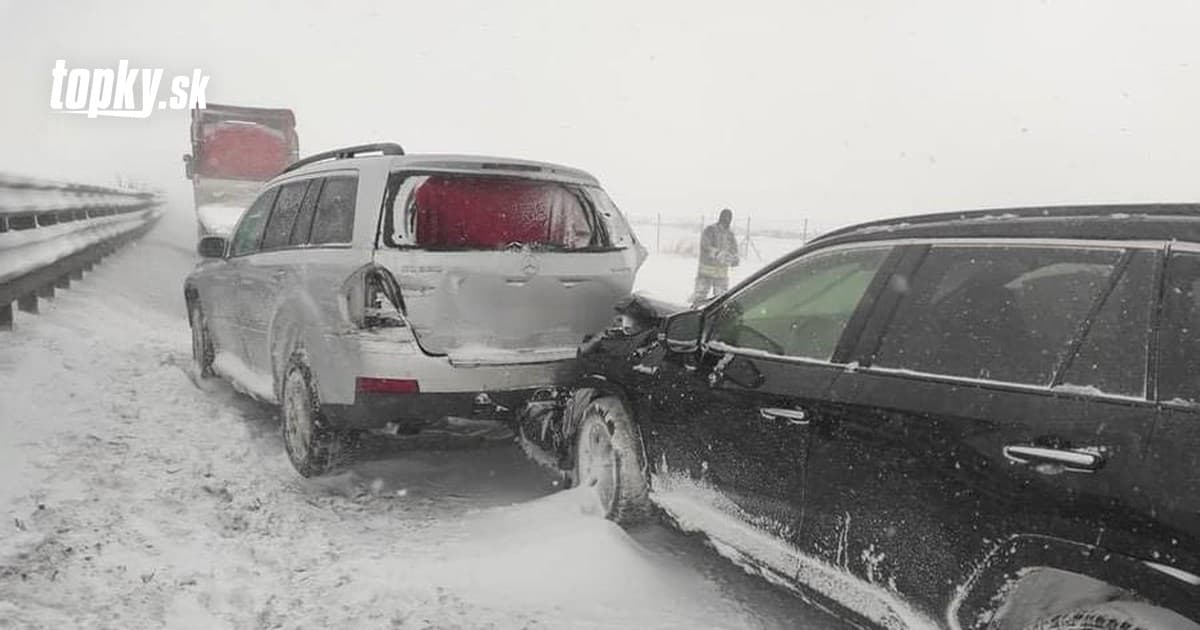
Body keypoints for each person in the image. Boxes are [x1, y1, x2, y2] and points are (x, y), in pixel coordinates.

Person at [691, 208, 740, 306]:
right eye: (725, 217)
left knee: (720, 300)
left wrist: (735, 258)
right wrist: (717, 253)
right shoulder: (710, 230)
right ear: (720, 217)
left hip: (721, 273)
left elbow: (734, 249)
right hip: (706, 271)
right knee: (699, 297)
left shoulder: (730, 234)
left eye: (729, 218)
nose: (727, 220)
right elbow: (705, 246)